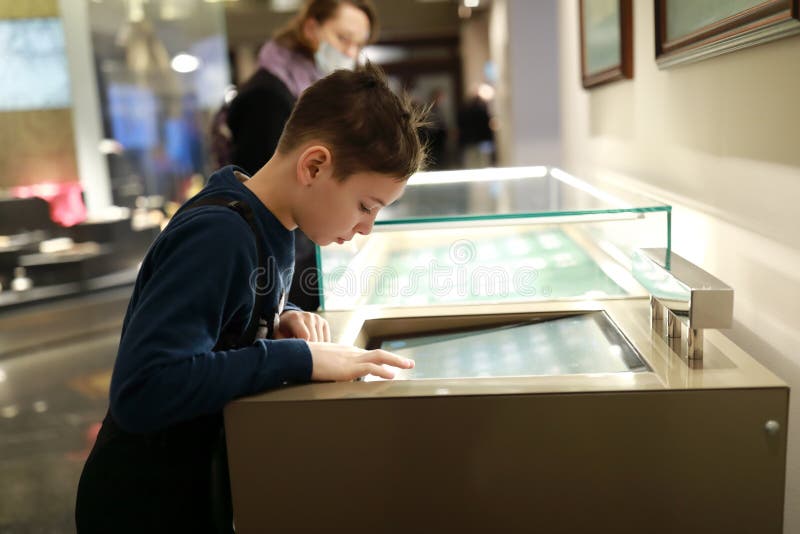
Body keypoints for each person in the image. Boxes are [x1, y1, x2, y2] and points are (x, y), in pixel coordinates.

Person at [75, 62, 426, 534]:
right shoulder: (219, 236)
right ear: (315, 165)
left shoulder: (267, 221)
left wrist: (281, 316)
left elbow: (223, 318)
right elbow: (145, 388)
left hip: (193, 487)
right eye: (366, 206)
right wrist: (295, 358)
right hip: (144, 504)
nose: (366, 227)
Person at [221, 0, 379, 312]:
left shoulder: (312, 90)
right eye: (343, 38)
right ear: (310, 28)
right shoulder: (267, 95)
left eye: (358, 44)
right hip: (274, 264)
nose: (350, 52)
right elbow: (262, 200)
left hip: (296, 258)